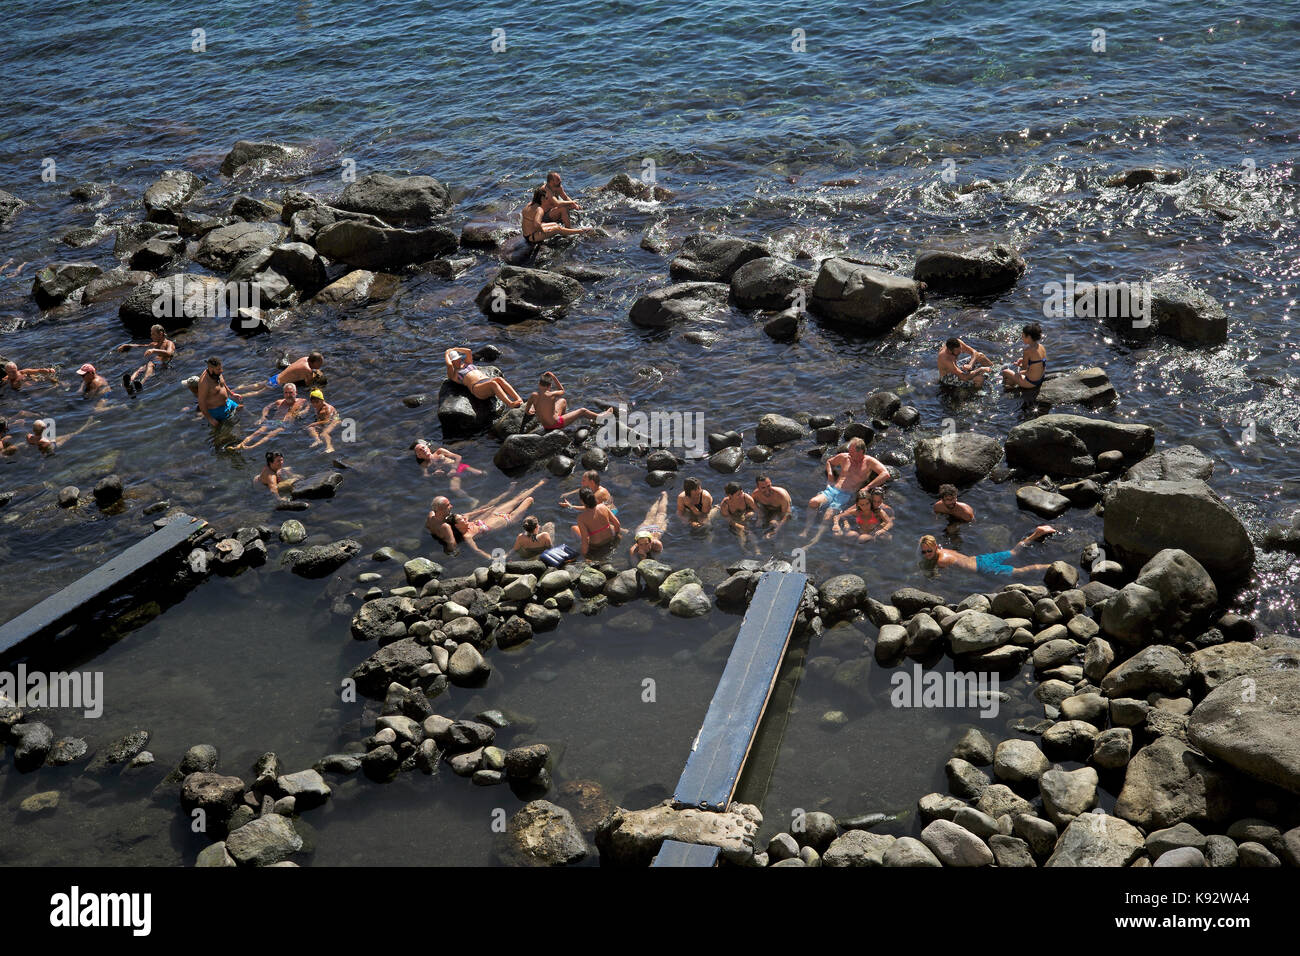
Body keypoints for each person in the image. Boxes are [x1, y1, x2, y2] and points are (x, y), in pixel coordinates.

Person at [806, 437, 891, 528]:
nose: (849, 453)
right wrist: (830, 477)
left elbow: (885, 474)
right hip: (833, 489)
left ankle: (817, 535)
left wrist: (868, 487)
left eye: (852, 451)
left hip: (846, 494)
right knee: (813, 502)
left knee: (828, 515)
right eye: (849, 450)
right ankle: (806, 530)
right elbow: (829, 462)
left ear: (861, 452)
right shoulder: (844, 457)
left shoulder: (869, 462)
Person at [449, 481, 545, 560]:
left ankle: (539, 484)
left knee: (517, 499)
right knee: (529, 499)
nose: (464, 518)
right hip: (509, 519)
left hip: (496, 513)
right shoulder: (468, 536)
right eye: (461, 519)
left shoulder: (466, 520)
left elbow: (474, 512)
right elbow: (477, 550)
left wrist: (485, 509)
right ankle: (532, 505)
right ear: (457, 525)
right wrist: (490, 557)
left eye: (462, 516)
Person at [920, 525, 1057, 577]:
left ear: (936, 547)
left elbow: (942, 575)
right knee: (1013, 552)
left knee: (1019, 571)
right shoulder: (943, 550)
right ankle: (1037, 533)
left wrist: (934, 575)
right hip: (981, 558)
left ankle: (1051, 566)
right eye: (924, 552)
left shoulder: (941, 561)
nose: (926, 554)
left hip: (983, 568)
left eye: (929, 551)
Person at [229, 383, 308, 449]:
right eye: (286, 393)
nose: (288, 395)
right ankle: (240, 444)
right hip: (275, 421)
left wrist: (302, 412)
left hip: (286, 424)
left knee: (272, 434)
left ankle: (252, 446)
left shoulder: (302, 401)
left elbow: (308, 407)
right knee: (259, 431)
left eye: (290, 392)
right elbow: (267, 407)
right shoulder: (279, 402)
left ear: (295, 392)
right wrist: (263, 417)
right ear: (283, 393)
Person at [524, 372, 611, 431]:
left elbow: (527, 410)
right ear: (549, 386)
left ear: (539, 384)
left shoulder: (533, 395)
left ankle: (564, 420)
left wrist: (529, 411)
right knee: (582, 411)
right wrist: (553, 376)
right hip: (555, 424)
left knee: (562, 401)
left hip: (545, 425)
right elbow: (562, 390)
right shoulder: (552, 395)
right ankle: (600, 417)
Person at [444, 347, 524, 407]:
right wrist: (446, 354)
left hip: (487, 381)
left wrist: (455, 349)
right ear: (451, 361)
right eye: (455, 360)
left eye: (458, 358)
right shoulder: (454, 374)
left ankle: (518, 399)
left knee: (499, 379)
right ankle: (510, 404)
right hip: (477, 388)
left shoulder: (467, 363)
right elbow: (449, 365)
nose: (458, 360)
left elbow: (468, 351)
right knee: (493, 383)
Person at [522, 187, 591, 246]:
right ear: (542, 198)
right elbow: (537, 224)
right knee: (557, 229)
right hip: (532, 237)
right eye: (546, 198)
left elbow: (528, 218)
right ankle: (580, 231)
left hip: (527, 234)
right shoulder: (539, 210)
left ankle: (569, 231)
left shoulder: (530, 205)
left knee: (555, 224)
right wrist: (543, 231)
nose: (547, 199)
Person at [117, 325, 176, 394]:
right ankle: (129, 383)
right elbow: (141, 346)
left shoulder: (169, 343)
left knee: (150, 364)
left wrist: (153, 350)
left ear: (160, 334)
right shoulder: (154, 344)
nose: (151, 336)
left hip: (164, 364)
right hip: (156, 362)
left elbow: (169, 353)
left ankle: (142, 383)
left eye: (153, 334)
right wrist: (127, 345)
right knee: (139, 369)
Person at [412, 440, 484, 496]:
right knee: (455, 489)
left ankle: (487, 486)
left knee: (481, 474)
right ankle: (472, 500)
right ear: (419, 456)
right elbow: (425, 476)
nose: (423, 450)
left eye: (423, 447)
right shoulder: (424, 464)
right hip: (450, 475)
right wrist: (434, 474)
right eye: (420, 450)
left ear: (428, 448)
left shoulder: (439, 451)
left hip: (459, 467)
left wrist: (453, 469)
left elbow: (458, 457)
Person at [242, 351, 325, 394]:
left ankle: (237, 389)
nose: (321, 365)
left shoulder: (304, 358)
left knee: (258, 385)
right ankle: (240, 396)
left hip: (276, 377)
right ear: (314, 362)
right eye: (319, 363)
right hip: (277, 384)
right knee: (257, 393)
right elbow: (308, 385)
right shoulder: (308, 370)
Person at [573, 486, 621, 556]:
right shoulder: (603, 506)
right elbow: (617, 524)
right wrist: (616, 537)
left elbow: (585, 539)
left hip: (596, 545)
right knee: (610, 525)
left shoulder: (581, 518)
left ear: (582, 501)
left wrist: (584, 555)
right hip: (609, 538)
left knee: (573, 528)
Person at [197, 356, 241, 426]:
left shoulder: (217, 373)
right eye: (218, 369)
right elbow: (201, 402)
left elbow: (223, 383)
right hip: (217, 410)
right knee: (230, 426)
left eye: (221, 368)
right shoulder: (204, 383)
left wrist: (232, 393)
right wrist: (210, 419)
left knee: (241, 408)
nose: (221, 370)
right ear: (211, 369)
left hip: (228, 402)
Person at [1002, 322, 1047, 389]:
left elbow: (1024, 368)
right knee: (1014, 375)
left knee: (1005, 372)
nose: (1022, 338)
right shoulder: (1041, 347)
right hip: (1041, 378)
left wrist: (1020, 366)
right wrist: (1022, 360)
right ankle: (1012, 383)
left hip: (1031, 383)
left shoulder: (1027, 351)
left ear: (1028, 337)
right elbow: (1040, 362)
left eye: (1023, 336)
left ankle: (1008, 388)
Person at [629, 492, 669, 561]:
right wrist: (643, 557)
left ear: (651, 541)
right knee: (651, 517)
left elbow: (658, 559)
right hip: (643, 530)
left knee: (661, 514)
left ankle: (664, 496)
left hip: (655, 530)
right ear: (637, 544)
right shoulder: (633, 550)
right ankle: (657, 499)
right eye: (641, 544)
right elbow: (634, 564)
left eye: (646, 543)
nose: (644, 547)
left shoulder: (657, 544)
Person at [752, 474, 792, 538]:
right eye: (763, 488)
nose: (767, 490)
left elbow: (787, 514)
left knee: (773, 523)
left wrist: (777, 528)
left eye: (768, 486)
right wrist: (759, 518)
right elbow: (754, 507)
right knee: (752, 518)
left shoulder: (781, 495)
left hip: (780, 511)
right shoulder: (755, 495)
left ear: (771, 483)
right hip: (766, 509)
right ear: (758, 487)